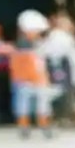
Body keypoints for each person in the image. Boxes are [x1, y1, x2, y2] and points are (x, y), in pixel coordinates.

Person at [10, 10, 54, 139]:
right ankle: (25, 125)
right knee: (25, 103)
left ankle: (43, 124)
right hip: (26, 79)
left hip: (37, 79)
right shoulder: (23, 45)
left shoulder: (39, 43)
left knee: (40, 103)